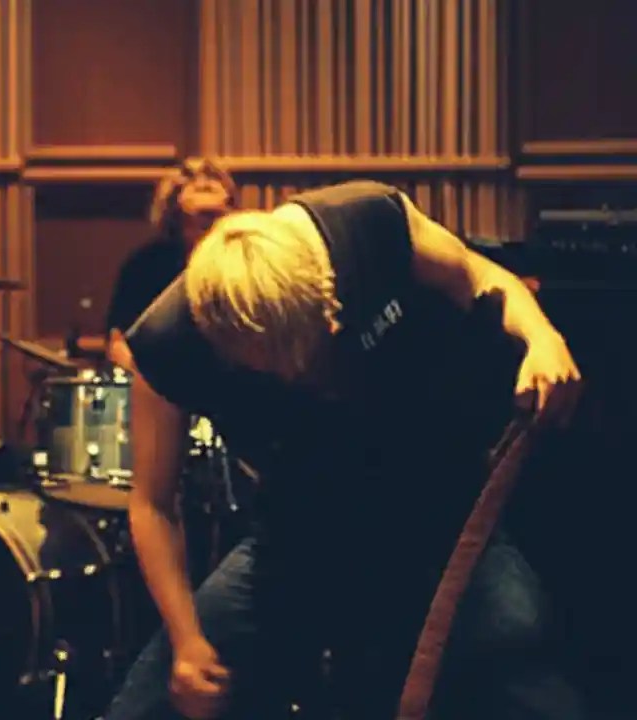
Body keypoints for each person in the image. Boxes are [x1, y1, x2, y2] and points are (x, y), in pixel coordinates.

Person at [104, 180, 584, 719]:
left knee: (518, 658)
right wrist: (187, 639)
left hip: (439, 506)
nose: (319, 358)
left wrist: (542, 338)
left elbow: (480, 275)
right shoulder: (169, 344)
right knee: (147, 704)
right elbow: (151, 504)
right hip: (298, 527)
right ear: (228, 345)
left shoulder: (367, 222)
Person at [106, 157, 240, 370]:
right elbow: (119, 343)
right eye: (201, 218)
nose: (209, 227)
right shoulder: (144, 266)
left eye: (216, 217)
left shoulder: (244, 262)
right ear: (175, 215)